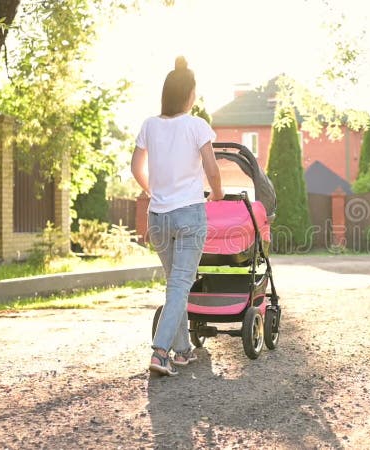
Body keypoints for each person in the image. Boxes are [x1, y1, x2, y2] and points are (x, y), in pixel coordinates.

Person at [132, 56, 223, 376]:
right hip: (188, 216)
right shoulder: (197, 125)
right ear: (189, 95)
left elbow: (135, 167)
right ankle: (160, 352)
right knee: (180, 286)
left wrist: (151, 190)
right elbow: (212, 168)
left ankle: (183, 351)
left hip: (158, 217)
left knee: (176, 285)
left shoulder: (149, 125)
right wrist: (218, 194)